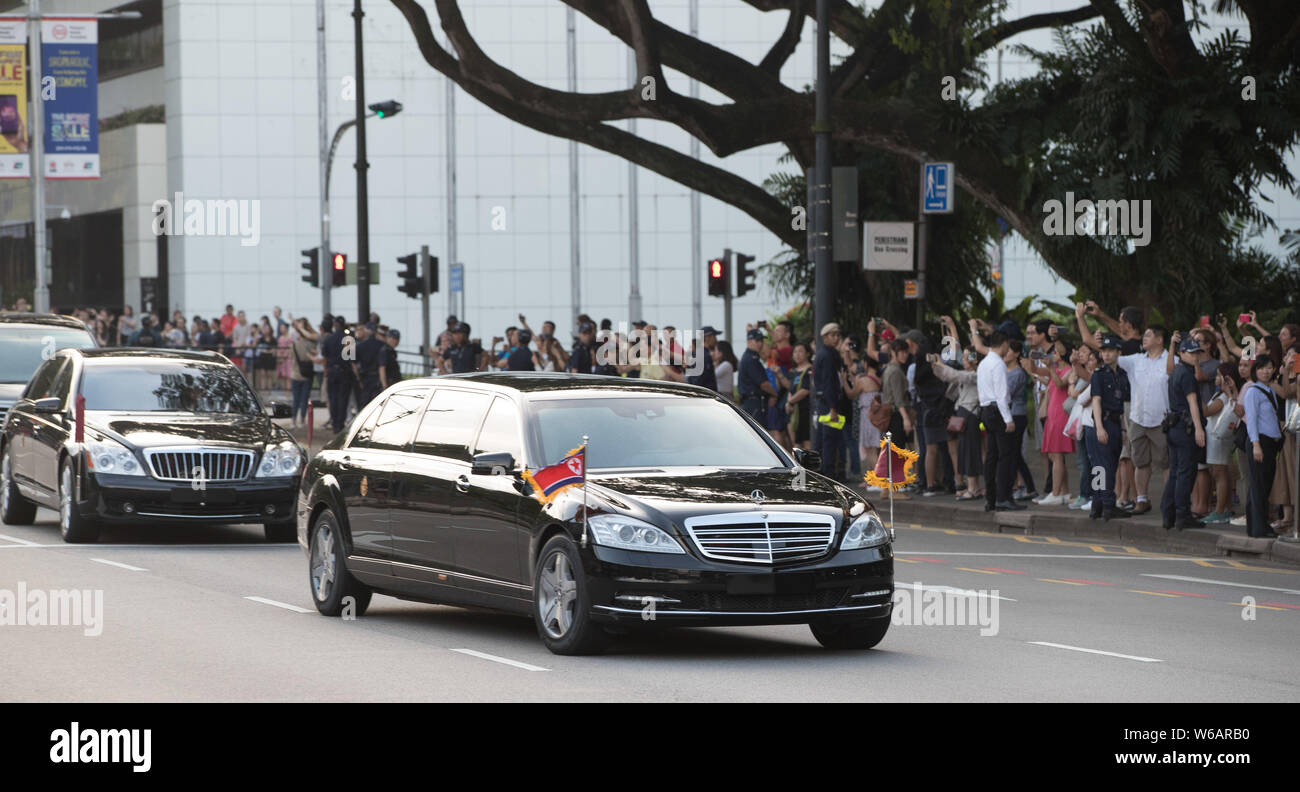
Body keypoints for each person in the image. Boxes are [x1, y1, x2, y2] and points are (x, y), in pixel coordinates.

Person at [1162, 334, 1208, 530]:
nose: (1195, 357)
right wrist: (1199, 429)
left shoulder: (1176, 373)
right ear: (1181, 353)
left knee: (1175, 473)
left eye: (1197, 353)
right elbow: (1192, 404)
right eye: (1191, 353)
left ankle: (1168, 514)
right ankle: (1182, 515)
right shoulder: (1187, 374)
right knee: (1185, 473)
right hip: (1185, 427)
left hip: (1174, 426)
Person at [1023, 337, 1075, 504]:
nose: (1053, 354)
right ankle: (1065, 492)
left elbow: (1060, 384)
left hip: (1061, 415)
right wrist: (1032, 359)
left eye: (1056, 352)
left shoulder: (1068, 369)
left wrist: (1051, 368)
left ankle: (1055, 492)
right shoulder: (1055, 369)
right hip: (1052, 415)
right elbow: (1034, 371)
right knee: (1054, 455)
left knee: (1057, 454)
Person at [1086, 335, 1132, 520]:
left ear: (1118, 352)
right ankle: (1107, 504)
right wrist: (1099, 428)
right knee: (1101, 467)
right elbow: (1096, 401)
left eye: (1110, 351)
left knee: (1108, 466)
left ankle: (1097, 505)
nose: (1106, 355)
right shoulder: (1099, 375)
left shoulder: (1122, 376)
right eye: (1103, 351)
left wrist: (1122, 429)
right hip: (1101, 423)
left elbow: (1122, 405)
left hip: (1114, 423)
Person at [977, 330, 1020, 512]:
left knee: (992, 457)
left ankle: (991, 499)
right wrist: (1008, 419)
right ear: (1003, 344)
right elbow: (1002, 395)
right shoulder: (999, 364)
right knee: (1005, 456)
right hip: (998, 411)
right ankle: (1003, 497)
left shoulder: (984, 363)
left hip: (986, 410)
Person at [1243, 354, 1284, 538]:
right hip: (1259, 442)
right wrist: (1256, 445)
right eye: (1261, 368)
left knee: (1263, 486)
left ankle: (1258, 526)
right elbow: (1251, 421)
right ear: (1255, 371)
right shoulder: (1253, 391)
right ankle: (1258, 528)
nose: (1266, 371)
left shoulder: (1270, 390)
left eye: (1269, 367)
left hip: (1270, 444)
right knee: (1258, 486)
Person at [1202, 362, 1242, 524]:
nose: (1215, 378)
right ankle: (1225, 508)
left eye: (1219, 375)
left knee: (1219, 473)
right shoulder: (1221, 394)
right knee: (1218, 472)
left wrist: (1193, 396)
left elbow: (1206, 411)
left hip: (1218, 439)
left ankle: (1220, 511)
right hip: (1215, 437)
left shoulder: (1225, 397)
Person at [812, 323, 843, 481]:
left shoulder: (825, 353)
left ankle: (819, 474)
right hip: (828, 404)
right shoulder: (828, 355)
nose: (836, 338)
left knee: (822, 441)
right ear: (824, 337)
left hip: (824, 402)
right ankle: (827, 476)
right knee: (828, 440)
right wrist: (832, 407)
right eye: (833, 335)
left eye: (838, 335)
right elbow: (829, 382)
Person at [739, 328, 776, 425]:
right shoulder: (751, 359)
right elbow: (764, 384)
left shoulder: (751, 357)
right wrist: (775, 394)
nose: (760, 343)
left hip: (752, 402)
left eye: (761, 340)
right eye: (757, 340)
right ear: (749, 342)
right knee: (757, 434)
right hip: (754, 402)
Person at [289, 318, 321, 428]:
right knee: (304, 399)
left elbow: (291, 357)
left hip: (295, 374)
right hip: (307, 375)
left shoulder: (294, 345)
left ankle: (293, 420)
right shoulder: (311, 345)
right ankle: (302, 420)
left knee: (295, 399)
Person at [784, 341, 815, 451]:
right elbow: (791, 390)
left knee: (807, 444)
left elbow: (805, 390)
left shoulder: (810, 370)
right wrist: (789, 402)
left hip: (805, 411)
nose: (797, 354)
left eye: (800, 351)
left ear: (807, 353)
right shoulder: (792, 371)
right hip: (794, 412)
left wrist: (790, 402)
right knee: (796, 445)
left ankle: (810, 468)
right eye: (795, 352)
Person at [322, 316, 350, 431]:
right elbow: (350, 358)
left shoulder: (329, 338)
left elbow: (324, 357)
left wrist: (326, 370)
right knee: (342, 398)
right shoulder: (348, 339)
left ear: (334, 325)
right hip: (344, 371)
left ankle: (334, 422)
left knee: (332, 397)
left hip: (332, 371)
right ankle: (340, 422)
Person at [356, 322, 385, 404]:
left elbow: (352, 362)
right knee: (378, 401)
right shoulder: (382, 345)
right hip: (378, 377)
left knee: (365, 401)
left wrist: (358, 378)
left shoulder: (360, 346)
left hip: (365, 377)